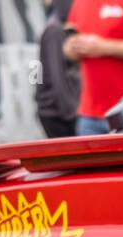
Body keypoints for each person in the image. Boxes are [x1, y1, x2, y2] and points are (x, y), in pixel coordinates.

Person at [63, 0, 123, 136]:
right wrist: (74, 47)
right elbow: (69, 46)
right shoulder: (80, 3)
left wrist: (104, 47)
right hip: (90, 116)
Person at [37, 0, 78, 137]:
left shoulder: (58, 27)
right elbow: (58, 78)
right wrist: (73, 114)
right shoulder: (55, 30)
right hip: (57, 115)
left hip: (59, 111)